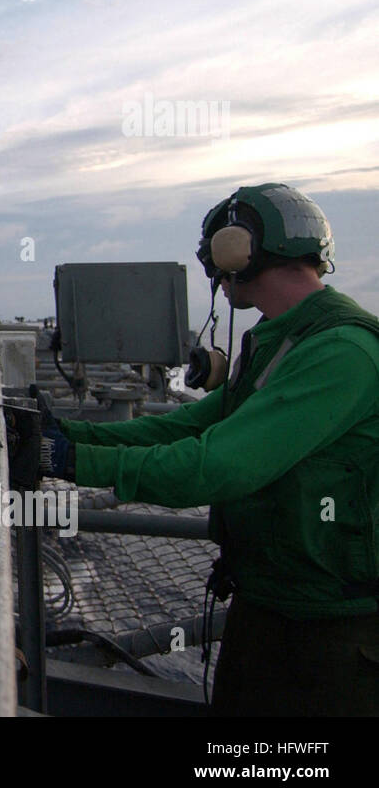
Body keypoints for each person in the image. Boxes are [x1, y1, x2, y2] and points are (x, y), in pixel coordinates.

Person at [41, 183, 379, 716]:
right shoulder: (277, 342)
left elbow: (214, 466)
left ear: (236, 252)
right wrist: (66, 434)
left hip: (332, 633)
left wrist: (71, 462)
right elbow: (179, 430)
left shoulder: (341, 352)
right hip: (265, 608)